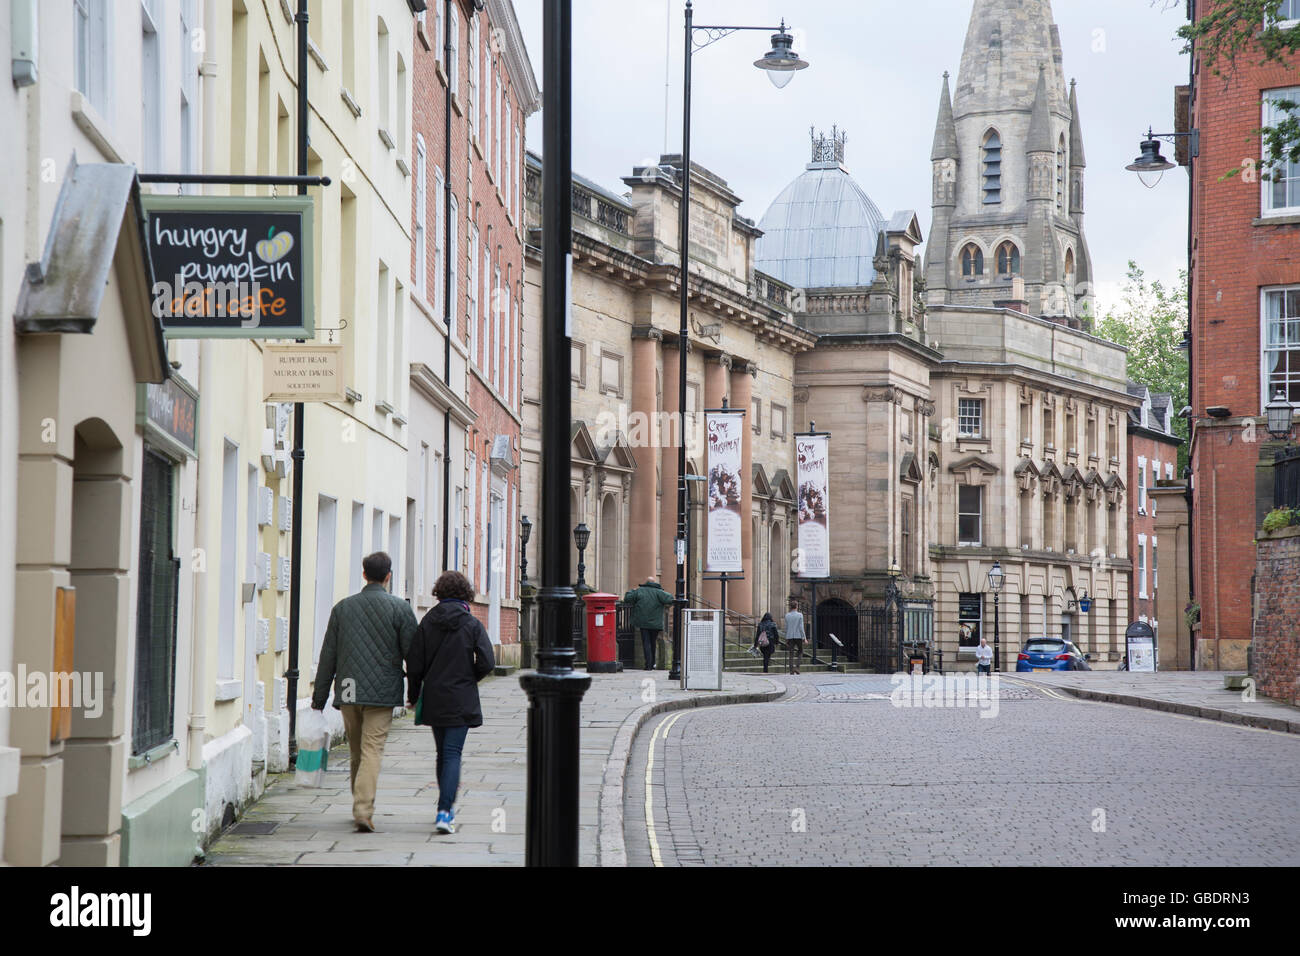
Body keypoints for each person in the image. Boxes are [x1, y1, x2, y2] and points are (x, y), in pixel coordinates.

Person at [312, 551, 417, 832]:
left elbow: (328, 656)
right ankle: (363, 808)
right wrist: (416, 692)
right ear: (388, 576)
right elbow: (414, 655)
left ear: (363, 574)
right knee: (372, 750)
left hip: (348, 689)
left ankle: (359, 802)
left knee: (357, 750)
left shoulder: (343, 608)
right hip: (382, 691)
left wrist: (318, 697)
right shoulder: (400, 609)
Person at [406, 570, 495, 835]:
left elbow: (414, 664)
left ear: (439, 593)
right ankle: (445, 811)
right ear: (466, 594)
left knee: (442, 753)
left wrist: (413, 695)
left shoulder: (428, 622)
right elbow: (488, 662)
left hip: (434, 697)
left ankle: (444, 809)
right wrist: (471, 677)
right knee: (453, 753)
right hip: (461, 698)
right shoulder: (472, 624)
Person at [623, 578, 675, 670]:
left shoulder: (640, 591)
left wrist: (632, 590)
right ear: (654, 583)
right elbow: (670, 599)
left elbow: (627, 598)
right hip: (656, 623)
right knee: (653, 642)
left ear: (646, 582)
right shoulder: (659, 592)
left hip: (643, 622)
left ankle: (648, 665)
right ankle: (653, 663)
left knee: (646, 642)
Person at [784, 598, 806, 675]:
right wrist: (804, 638)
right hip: (798, 636)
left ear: (790, 607)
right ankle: (797, 667)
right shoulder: (800, 615)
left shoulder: (787, 615)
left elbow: (786, 628)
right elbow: (801, 627)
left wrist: (786, 638)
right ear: (796, 606)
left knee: (791, 653)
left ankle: (791, 670)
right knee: (800, 651)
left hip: (790, 636)